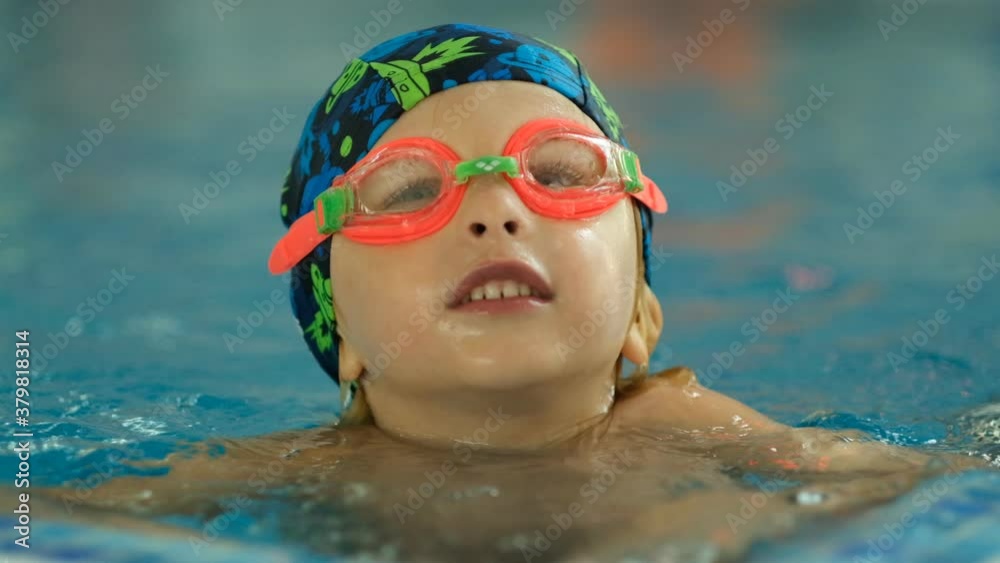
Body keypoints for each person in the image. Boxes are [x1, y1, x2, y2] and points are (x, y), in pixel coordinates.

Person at [34, 23, 990, 561]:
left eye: (562, 175)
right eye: (409, 192)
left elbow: (903, 482)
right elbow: (57, 518)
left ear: (642, 313)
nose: (495, 214)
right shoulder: (302, 471)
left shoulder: (682, 426)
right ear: (344, 337)